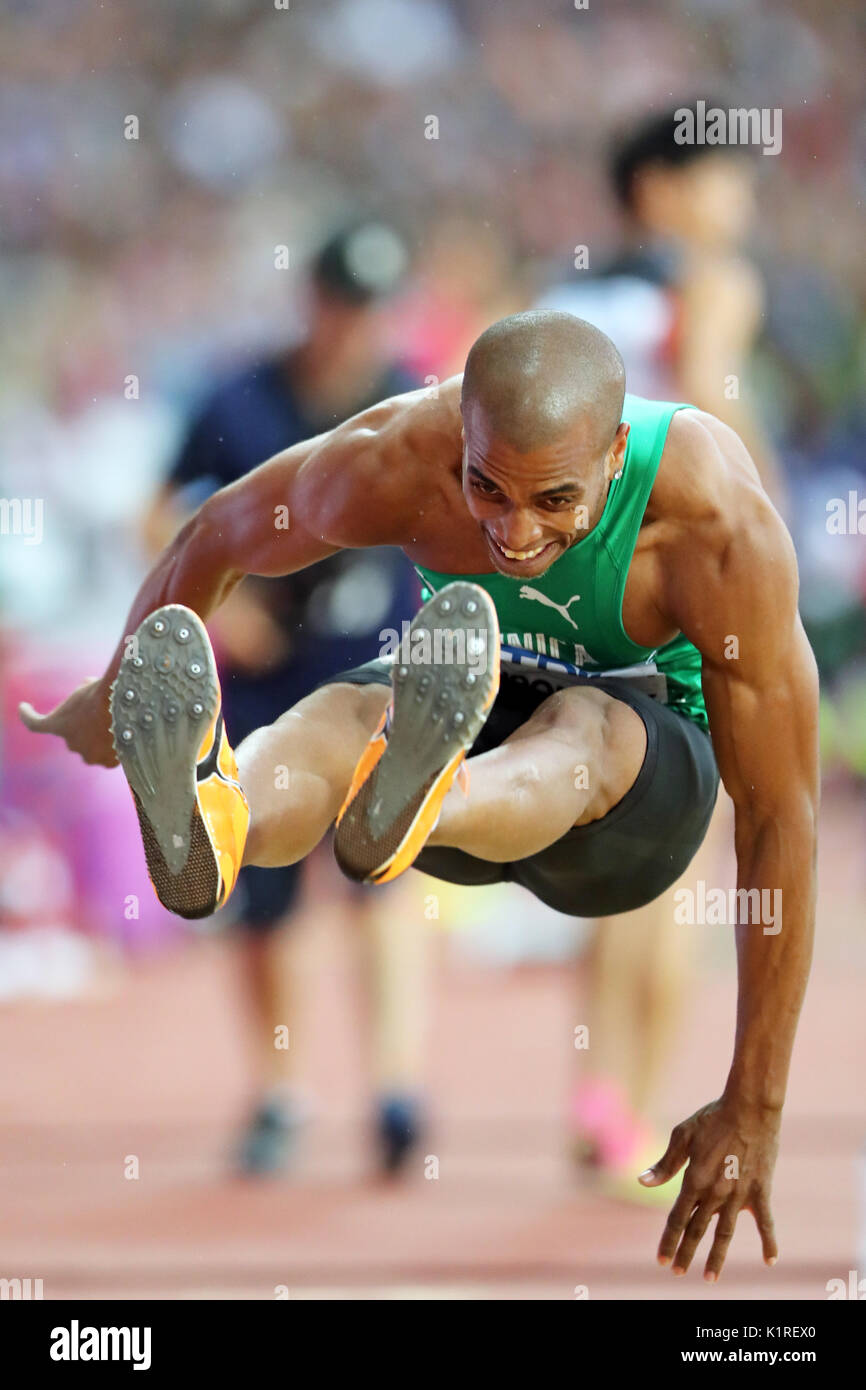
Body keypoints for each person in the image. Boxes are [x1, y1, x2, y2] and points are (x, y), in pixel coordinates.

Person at [22, 310, 818, 1282]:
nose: (516, 532)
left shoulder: (714, 522)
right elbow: (217, 528)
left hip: (629, 812)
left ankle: (420, 793)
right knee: (351, 712)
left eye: (555, 500)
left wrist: (753, 1102)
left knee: (586, 727)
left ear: (614, 454)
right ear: (460, 439)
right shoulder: (400, 455)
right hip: (447, 759)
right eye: (487, 487)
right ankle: (220, 817)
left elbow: (781, 819)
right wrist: (118, 690)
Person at [535, 102, 788, 1197]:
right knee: (689, 857)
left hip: (581, 599)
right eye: (726, 181)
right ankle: (630, 1094)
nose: (741, 204)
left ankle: (598, 1090)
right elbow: (720, 414)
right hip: (692, 591)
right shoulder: (712, 286)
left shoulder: (561, 305)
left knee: (606, 837)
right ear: (661, 192)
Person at [142, 218, 431, 1176]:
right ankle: (279, 1094)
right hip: (263, 686)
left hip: (374, 684)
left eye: (374, 309)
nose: (358, 327)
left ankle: (394, 1091)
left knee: (384, 881)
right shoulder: (241, 398)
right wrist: (219, 611)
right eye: (344, 305)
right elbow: (161, 507)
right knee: (262, 900)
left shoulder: (416, 402)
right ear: (313, 301)